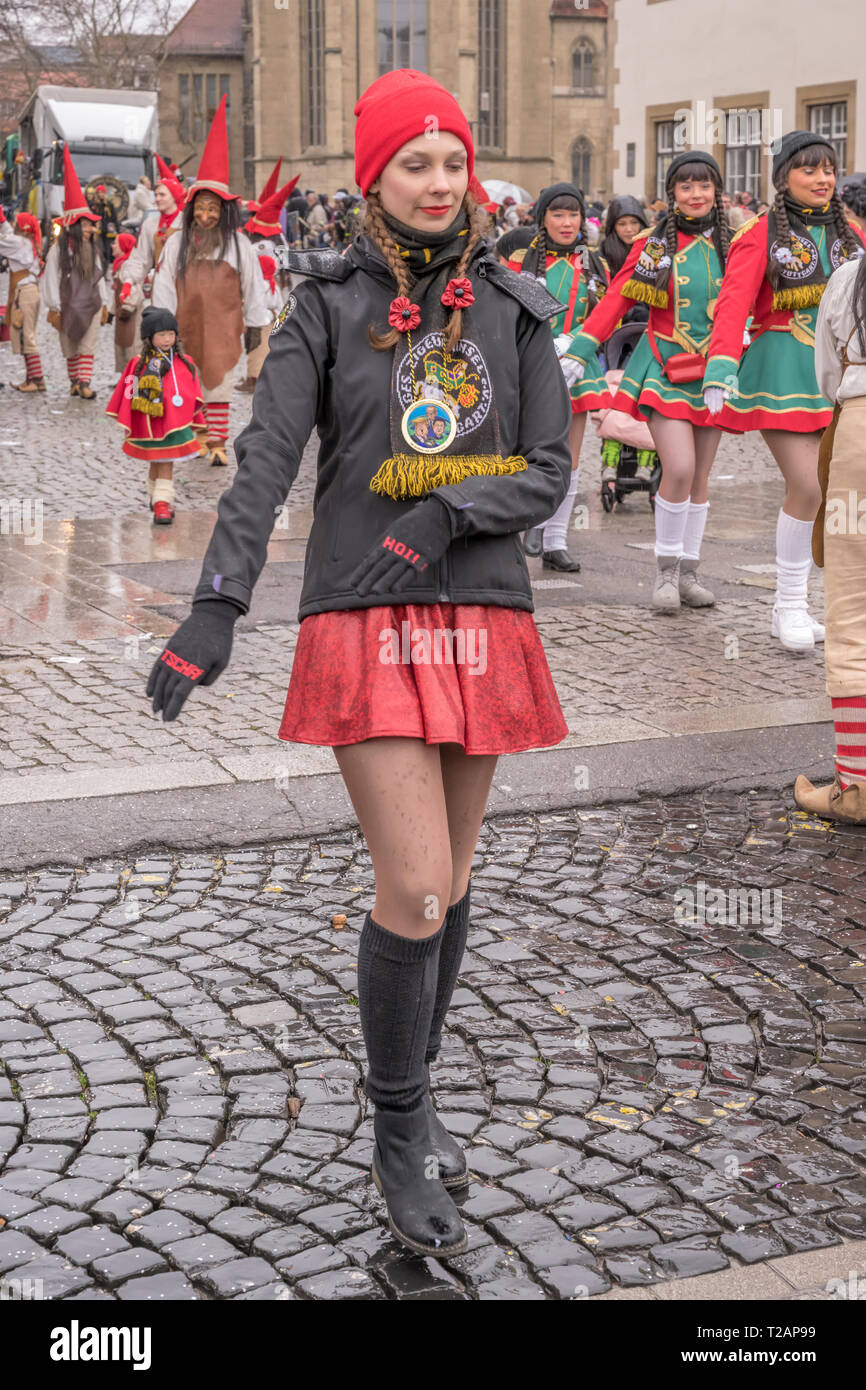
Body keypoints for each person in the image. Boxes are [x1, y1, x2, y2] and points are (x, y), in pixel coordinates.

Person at [144, 67, 571, 1260]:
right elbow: (267, 458)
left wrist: (441, 514)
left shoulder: (518, 305)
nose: (439, 184)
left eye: (453, 162)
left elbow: (549, 470)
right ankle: (397, 1127)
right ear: (374, 177)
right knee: (419, 882)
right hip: (363, 617)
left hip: (481, 613)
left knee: (452, 883)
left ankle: (417, 1084)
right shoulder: (327, 307)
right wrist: (216, 605)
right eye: (413, 165)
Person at [703, 131, 864, 652]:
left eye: (829, 170)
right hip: (782, 371)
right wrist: (720, 367)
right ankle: (789, 604)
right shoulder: (759, 234)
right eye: (809, 170)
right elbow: (733, 304)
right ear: (783, 178)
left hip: (843, 376)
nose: (822, 180)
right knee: (809, 486)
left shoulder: (853, 234)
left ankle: (815, 606)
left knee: (842, 495)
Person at [562, 152, 731, 611]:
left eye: (704, 186)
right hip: (662, 367)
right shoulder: (656, 243)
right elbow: (617, 297)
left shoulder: (734, 243)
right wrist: (581, 348)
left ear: (716, 191)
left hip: (714, 374)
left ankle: (690, 572)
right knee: (677, 468)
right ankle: (665, 572)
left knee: (699, 476)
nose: (695, 195)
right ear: (671, 194)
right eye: (685, 187)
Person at [151, 96, 271, 466]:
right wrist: (160, 324)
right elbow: (165, 286)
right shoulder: (176, 244)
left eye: (212, 209)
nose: (205, 215)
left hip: (224, 325)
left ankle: (218, 440)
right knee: (190, 382)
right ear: (191, 211)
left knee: (219, 381)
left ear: (224, 212)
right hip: (185, 326)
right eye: (199, 208)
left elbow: (253, 285)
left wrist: (256, 324)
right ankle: (199, 435)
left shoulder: (239, 245)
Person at [794, 251, 866, 820]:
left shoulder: (848, 276)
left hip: (862, 430)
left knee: (854, 605)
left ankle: (857, 785)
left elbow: (827, 377)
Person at [509, 182, 610, 571]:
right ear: (543, 218)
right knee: (528, 449)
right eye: (558, 214)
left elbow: (606, 313)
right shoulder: (521, 259)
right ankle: (525, 524)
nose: (567, 223)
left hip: (578, 365)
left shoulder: (592, 261)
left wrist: (578, 343)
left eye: (574, 215)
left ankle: (556, 540)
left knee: (569, 455)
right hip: (532, 364)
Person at [106, 306, 205, 525]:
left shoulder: (184, 362)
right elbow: (128, 391)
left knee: (166, 462)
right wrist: (133, 411)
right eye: (162, 334)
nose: (167, 339)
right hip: (150, 423)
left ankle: (161, 502)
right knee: (157, 461)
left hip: (175, 424)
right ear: (150, 337)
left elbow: (191, 391)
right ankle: (159, 499)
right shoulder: (138, 363)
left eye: (171, 334)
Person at [42, 147, 110, 399]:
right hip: (68, 303)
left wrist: (104, 303)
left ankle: (84, 382)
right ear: (73, 228)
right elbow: (49, 278)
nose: (90, 229)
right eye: (85, 225)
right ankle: (74, 381)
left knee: (87, 344)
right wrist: (54, 306)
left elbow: (100, 276)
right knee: (70, 345)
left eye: (91, 225)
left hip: (90, 303)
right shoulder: (58, 251)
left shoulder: (94, 250)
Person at [119, 156, 184, 306]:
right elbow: (140, 257)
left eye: (162, 195)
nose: (157, 199)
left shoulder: (186, 223)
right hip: (161, 286)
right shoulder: (150, 224)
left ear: (174, 197)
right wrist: (129, 282)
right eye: (155, 195)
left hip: (185, 285)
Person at [0, 207, 44, 391]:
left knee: (27, 336)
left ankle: (37, 379)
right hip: (29, 291)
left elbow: (4, 241)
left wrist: (2, 222)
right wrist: (2, 221)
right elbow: (9, 236)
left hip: (24, 292)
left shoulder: (19, 243)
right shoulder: (27, 242)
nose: (13, 225)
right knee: (24, 334)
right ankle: (31, 378)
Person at [111, 232, 143, 373]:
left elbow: (135, 288)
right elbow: (117, 292)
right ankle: (125, 381)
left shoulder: (129, 266)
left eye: (116, 243)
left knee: (132, 347)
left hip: (130, 314)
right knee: (122, 345)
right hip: (121, 315)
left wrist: (127, 307)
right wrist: (112, 312)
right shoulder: (119, 265)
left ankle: (134, 386)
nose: (112, 246)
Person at [601, 195, 650, 278]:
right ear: (613, 227)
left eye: (634, 222)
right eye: (622, 224)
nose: (629, 229)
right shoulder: (602, 253)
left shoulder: (653, 250)